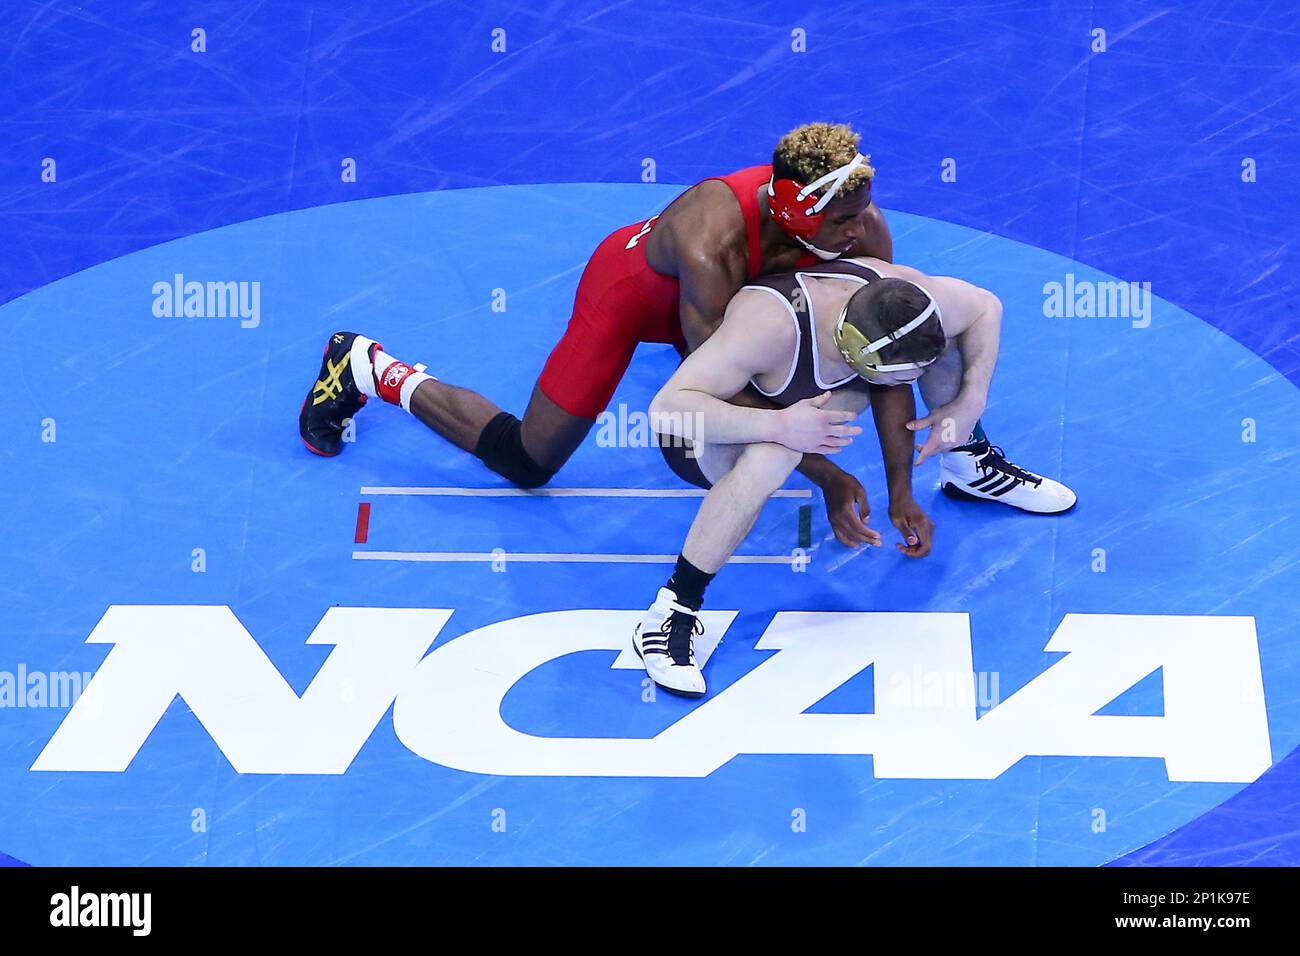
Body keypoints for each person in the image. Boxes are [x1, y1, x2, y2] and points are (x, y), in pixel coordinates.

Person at [299, 123, 892, 543]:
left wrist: (954, 428)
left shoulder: (854, 220)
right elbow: (706, 393)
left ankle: (968, 458)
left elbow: (902, 328)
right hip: (630, 296)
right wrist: (825, 472)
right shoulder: (712, 241)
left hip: (722, 304)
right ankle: (366, 367)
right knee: (529, 461)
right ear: (797, 214)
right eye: (845, 222)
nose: (861, 230)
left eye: (863, 211)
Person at [634, 257, 1077, 696]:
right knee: (775, 455)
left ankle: (966, 464)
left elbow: (985, 306)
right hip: (709, 433)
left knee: (944, 345)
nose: (918, 383)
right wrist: (779, 426)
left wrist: (970, 403)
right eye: (906, 378)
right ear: (861, 356)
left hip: (810, 402)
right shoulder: (769, 325)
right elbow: (667, 408)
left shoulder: (899, 296)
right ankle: (673, 608)